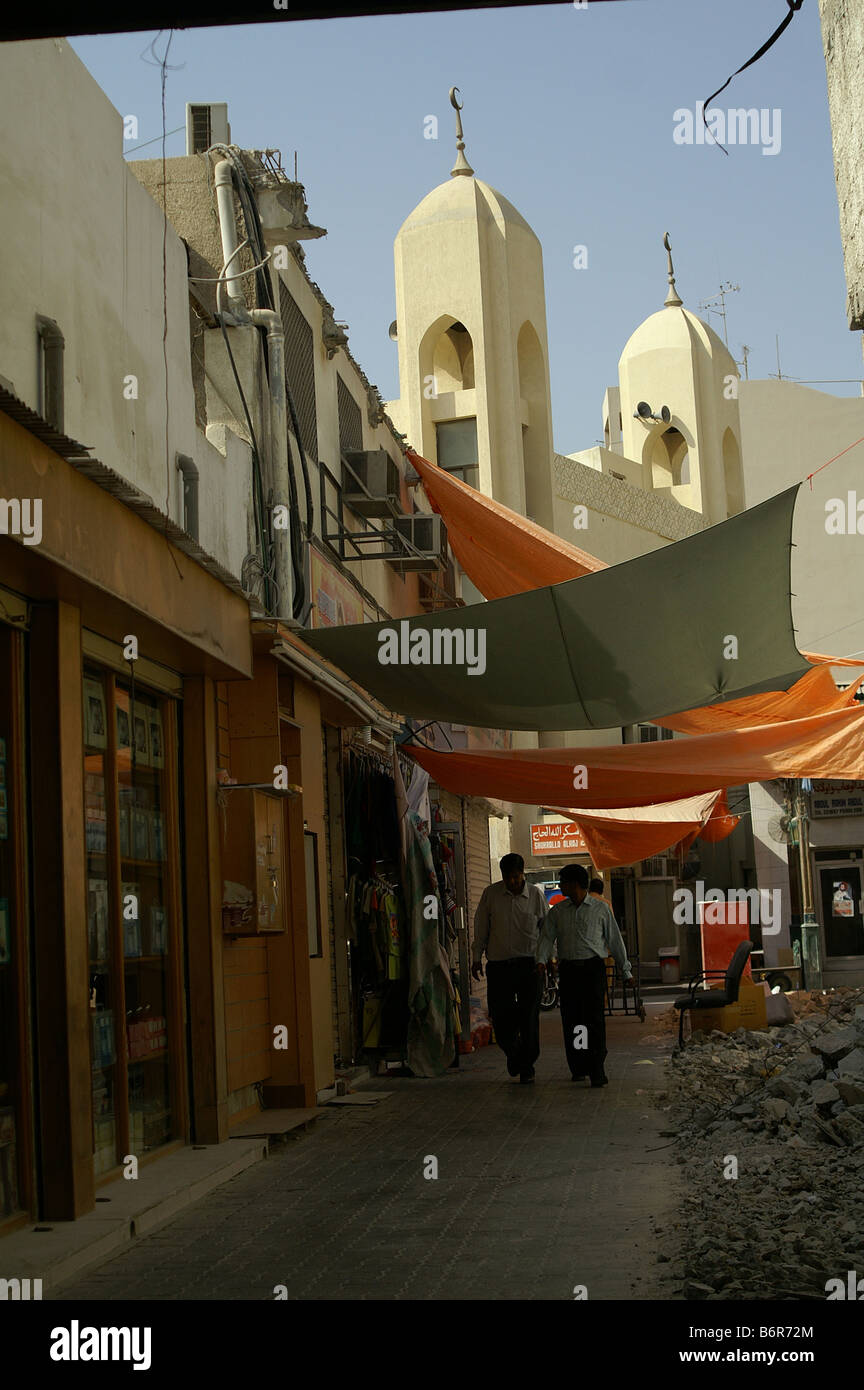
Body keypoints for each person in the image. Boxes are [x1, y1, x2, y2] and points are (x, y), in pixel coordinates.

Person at [536, 863, 632, 1088]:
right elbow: (547, 938)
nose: (560, 886)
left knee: (594, 1020)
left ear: (574, 884)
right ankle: (579, 1065)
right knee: (573, 1020)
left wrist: (625, 969)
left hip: (593, 969)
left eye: (563, 882)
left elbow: (615, 940)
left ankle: (596, 1067)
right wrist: (541, 961)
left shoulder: (600, 909)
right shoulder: (557, 912)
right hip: (569, 971)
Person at [472, 853, 548, 1084]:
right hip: (499, 967)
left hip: (530, 966)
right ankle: (515, 1055)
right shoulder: (491, 895)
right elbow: (481, 928)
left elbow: (546, 931)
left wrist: (548, 958)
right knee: (502, 1019)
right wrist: (476, 958)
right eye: (508, 877)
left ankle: (527, 1066)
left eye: (516, 877)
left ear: (522, 874)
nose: (512, 882)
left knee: (529, 1018)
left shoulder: (535, 895)